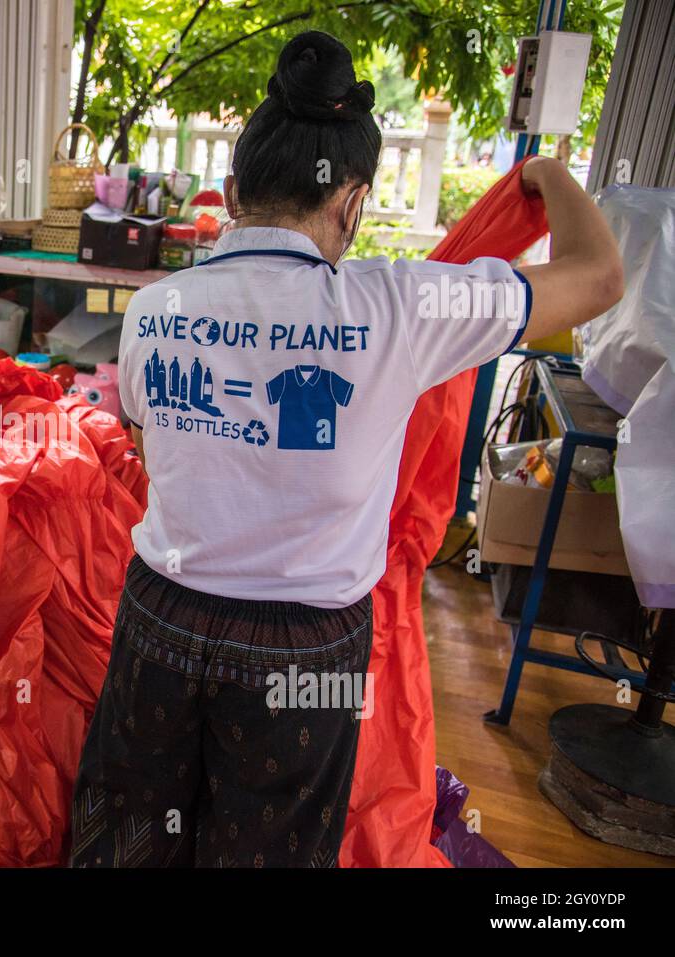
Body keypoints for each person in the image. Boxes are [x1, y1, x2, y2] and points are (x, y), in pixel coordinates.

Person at [70, 30, 623, 868]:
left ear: (230, 191)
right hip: (305, 648)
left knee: (132, 836)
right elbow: (599, 278)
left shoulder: (156, 310)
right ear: (353, 203)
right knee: (272, 848)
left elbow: (153, 454)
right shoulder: (397, 307)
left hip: (160, 619)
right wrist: (544, 177)